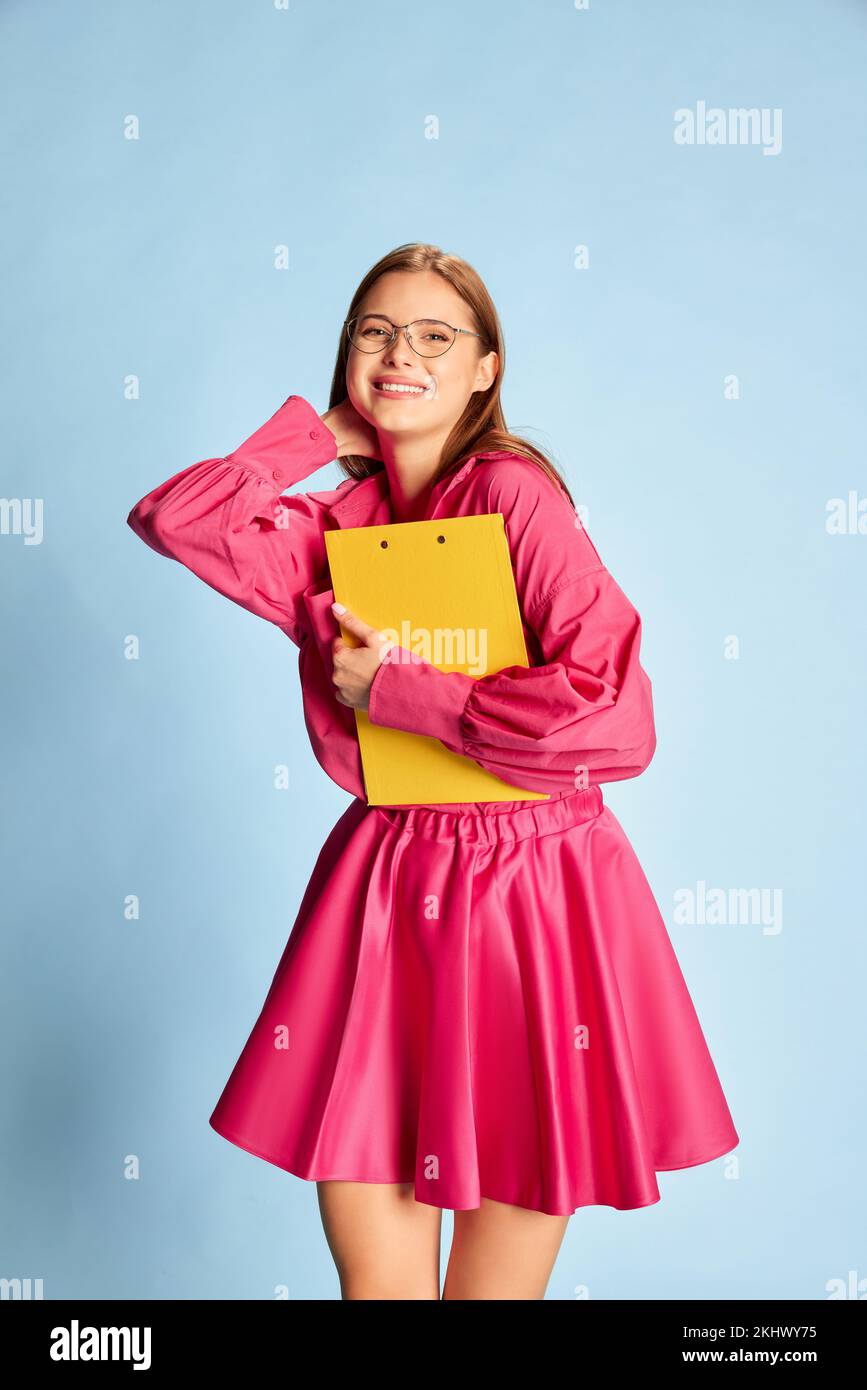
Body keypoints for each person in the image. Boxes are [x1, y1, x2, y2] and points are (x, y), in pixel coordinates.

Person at [126, 242, 739, 1300]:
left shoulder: (518, 496)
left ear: (487, 370)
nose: (400, 352)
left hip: (533, 893)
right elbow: (176, 518)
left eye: (434, 336)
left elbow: (619, 719)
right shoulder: (334, 526)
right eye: (375, 332)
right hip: (388, 881)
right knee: (382, 1291)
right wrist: (313, 436)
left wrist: (407, 693)